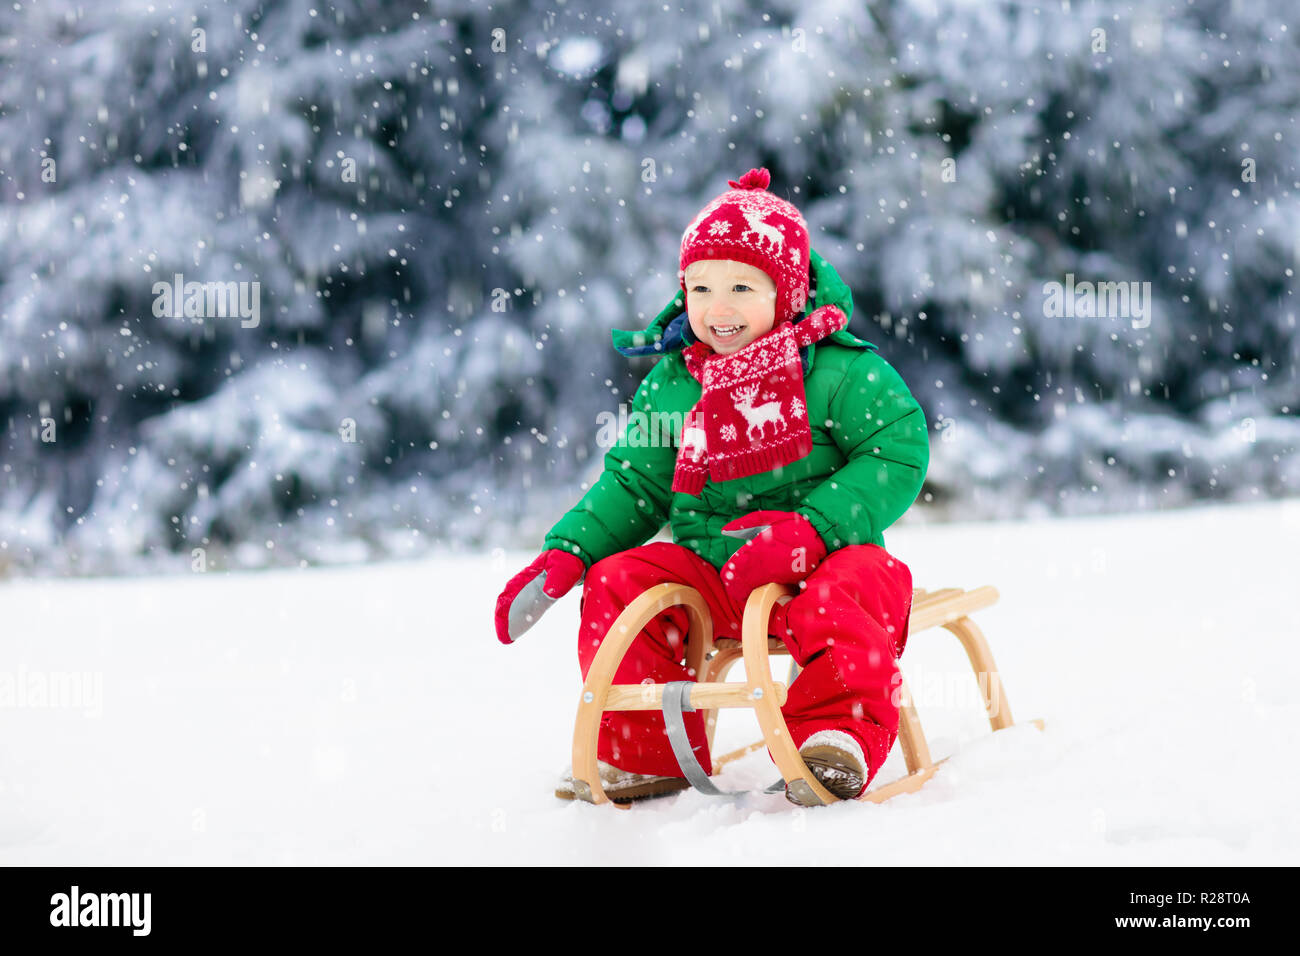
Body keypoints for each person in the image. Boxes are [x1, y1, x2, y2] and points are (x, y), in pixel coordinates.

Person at [494, 167, 929, 805]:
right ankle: (647, 750)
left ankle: (835, 737)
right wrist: (571, 550)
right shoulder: (675, 382)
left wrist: (813, 529)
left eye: (741, 288)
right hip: (716, 577)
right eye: (700, 288)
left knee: (859, 583)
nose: (717, 309)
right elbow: (636, 483)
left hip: (824, 565)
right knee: (620, 581)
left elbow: (896, 452)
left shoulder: (839, 370)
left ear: (786, 290)